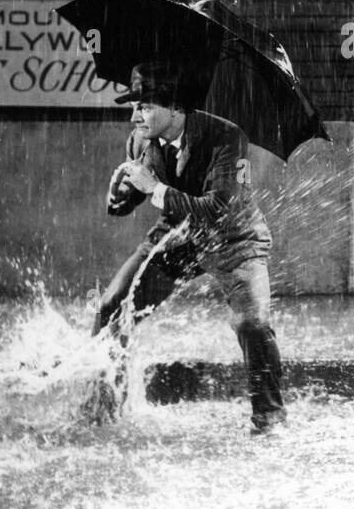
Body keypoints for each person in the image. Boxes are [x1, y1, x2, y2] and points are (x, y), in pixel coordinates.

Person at [92, 61, 285, 432]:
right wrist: (120, 197)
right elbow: (133, 195)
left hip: (233, 239)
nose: (135, 115)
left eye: (144, 106)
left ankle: (270, 417)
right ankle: (104, 408)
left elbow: (217, 208)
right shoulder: (141, 139)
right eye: (134, 105)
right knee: (111, 307)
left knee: (252, 324)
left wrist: (155, 189)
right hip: (179, 238)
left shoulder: (227, 138)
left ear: (175, 107)